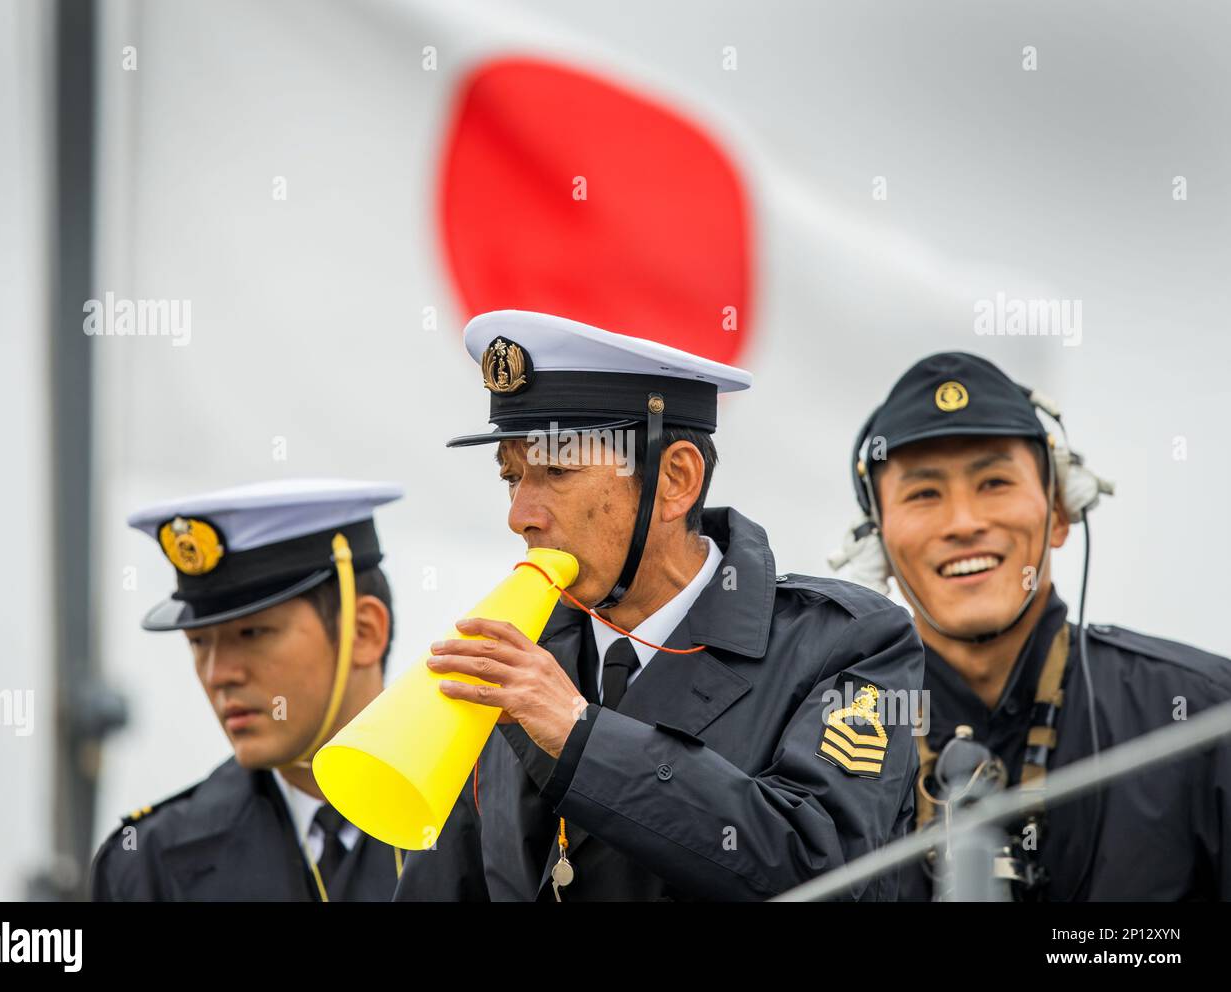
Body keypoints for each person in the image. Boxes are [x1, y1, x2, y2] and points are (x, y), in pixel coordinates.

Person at [394, 310, 924, 901]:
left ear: (675, 480)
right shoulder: (518, 658)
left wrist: (578, 733)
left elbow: (822, 868)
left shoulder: (848, 642)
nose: (520, 515)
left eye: (557, 470)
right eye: (512, 478)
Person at [831, 352, 1231, 899]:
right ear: (878, 542)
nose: (964, 523)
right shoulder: (813, 748)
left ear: (1061, 513)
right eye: (924, 494)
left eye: (994, 481)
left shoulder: (1206, 717)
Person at [91, 479, 406, 901]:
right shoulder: (147, 864)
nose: (218, 674)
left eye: (253, 632)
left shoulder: (490, 819)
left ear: (364, 632)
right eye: (199, 642)